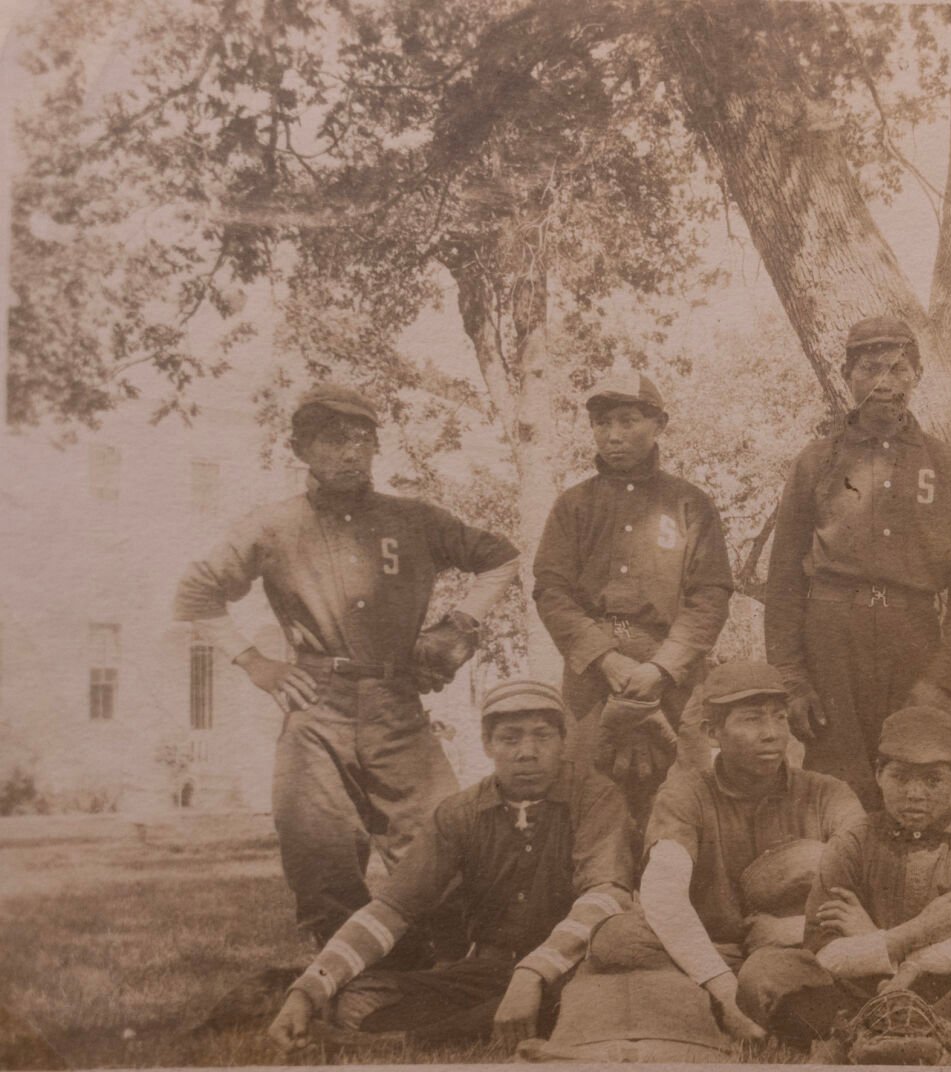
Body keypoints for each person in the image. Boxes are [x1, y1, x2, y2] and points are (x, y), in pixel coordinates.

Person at [174, 382, 520, 950]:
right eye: (333, 439)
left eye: (364, 439)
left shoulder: (414, 518)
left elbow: (500, 558)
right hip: (316, 706)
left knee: (441, 837)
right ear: (300, 447)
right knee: (318, 850)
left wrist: (458, 627)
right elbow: (195, 595)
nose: (351, 452)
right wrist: (253, 660)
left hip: (397, 705)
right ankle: (347, 976)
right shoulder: (274, 526)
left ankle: (444, 970)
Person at [264, 680, 633, 1051]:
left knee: (590, 1002)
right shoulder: (460, 812)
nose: (527, 752)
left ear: (563, 741)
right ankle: (484, 1026)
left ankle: (395, 1044)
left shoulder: (595, 797)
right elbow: (392, 909)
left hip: (569, 972)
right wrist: (309, 990)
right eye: (510, 739)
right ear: (488, 745)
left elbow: (607, 894)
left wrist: (533, 973)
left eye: (542, 736)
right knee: (351, 997)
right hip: (485, 974)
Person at [567, 660, 865, 1046]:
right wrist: (723, 986)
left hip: (792, 949)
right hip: (709, 949)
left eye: (779, 718)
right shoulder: (685, 794)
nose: (772, 734)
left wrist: (795, 929)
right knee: (616, 937)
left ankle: (708, 1005)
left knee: (771, 971)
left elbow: (864, 883)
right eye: (752, 720)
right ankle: (733, 1005)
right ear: (713, 732)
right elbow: (663, 896)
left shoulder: (827, 793)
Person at [735, 706, 951, 1064]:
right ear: (878, 774)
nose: (915, 794)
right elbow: (825, 952)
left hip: (950, 995)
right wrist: (908, 934)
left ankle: (894, 1037)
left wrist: (904, 966)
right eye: (901, 778)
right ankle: (916, 1040)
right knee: (763, 972)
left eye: (933, 781)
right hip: (859, 996)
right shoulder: (852, 843)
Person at [765, 316, 951, 806]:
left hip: (914, 640)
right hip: (831, 641)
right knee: (837, 788)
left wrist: (943, 680)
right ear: (847, 377)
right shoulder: (817, 463)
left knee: (915, 779)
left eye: (899, 369)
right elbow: (782, 581)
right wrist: (793, 679)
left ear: (917, 376)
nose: (885, 383)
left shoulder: (947, 466)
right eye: (869, 369)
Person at [533, 366, 734, 828]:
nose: (614, 435)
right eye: (602, 424)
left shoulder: (689, 504)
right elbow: (551, 590)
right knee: (589, 801)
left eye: (628, 421)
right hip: (594, 674)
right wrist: (604, 658)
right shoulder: (573, 505)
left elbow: (711, 594)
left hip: (672, 676)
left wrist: (663, 667)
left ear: (658, 425)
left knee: (686, 801)